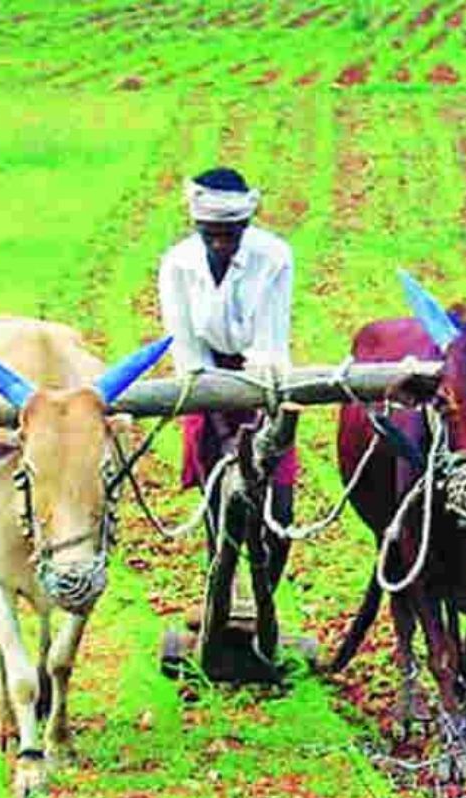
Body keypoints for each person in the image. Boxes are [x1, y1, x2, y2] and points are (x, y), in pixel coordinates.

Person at [157, 167, 297, 592]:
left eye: (230, 233)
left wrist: (258, 426)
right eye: (211, 233)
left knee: (279, 507)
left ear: (245, 225)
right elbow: (186, 346)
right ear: (198, 227)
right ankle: (220, 589)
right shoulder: (178, 264)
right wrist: (217, 419)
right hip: (204, 381)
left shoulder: (274, 257)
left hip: (263, 381)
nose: (220, 242)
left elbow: (269, 343)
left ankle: (264, 596)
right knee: (218, 499)